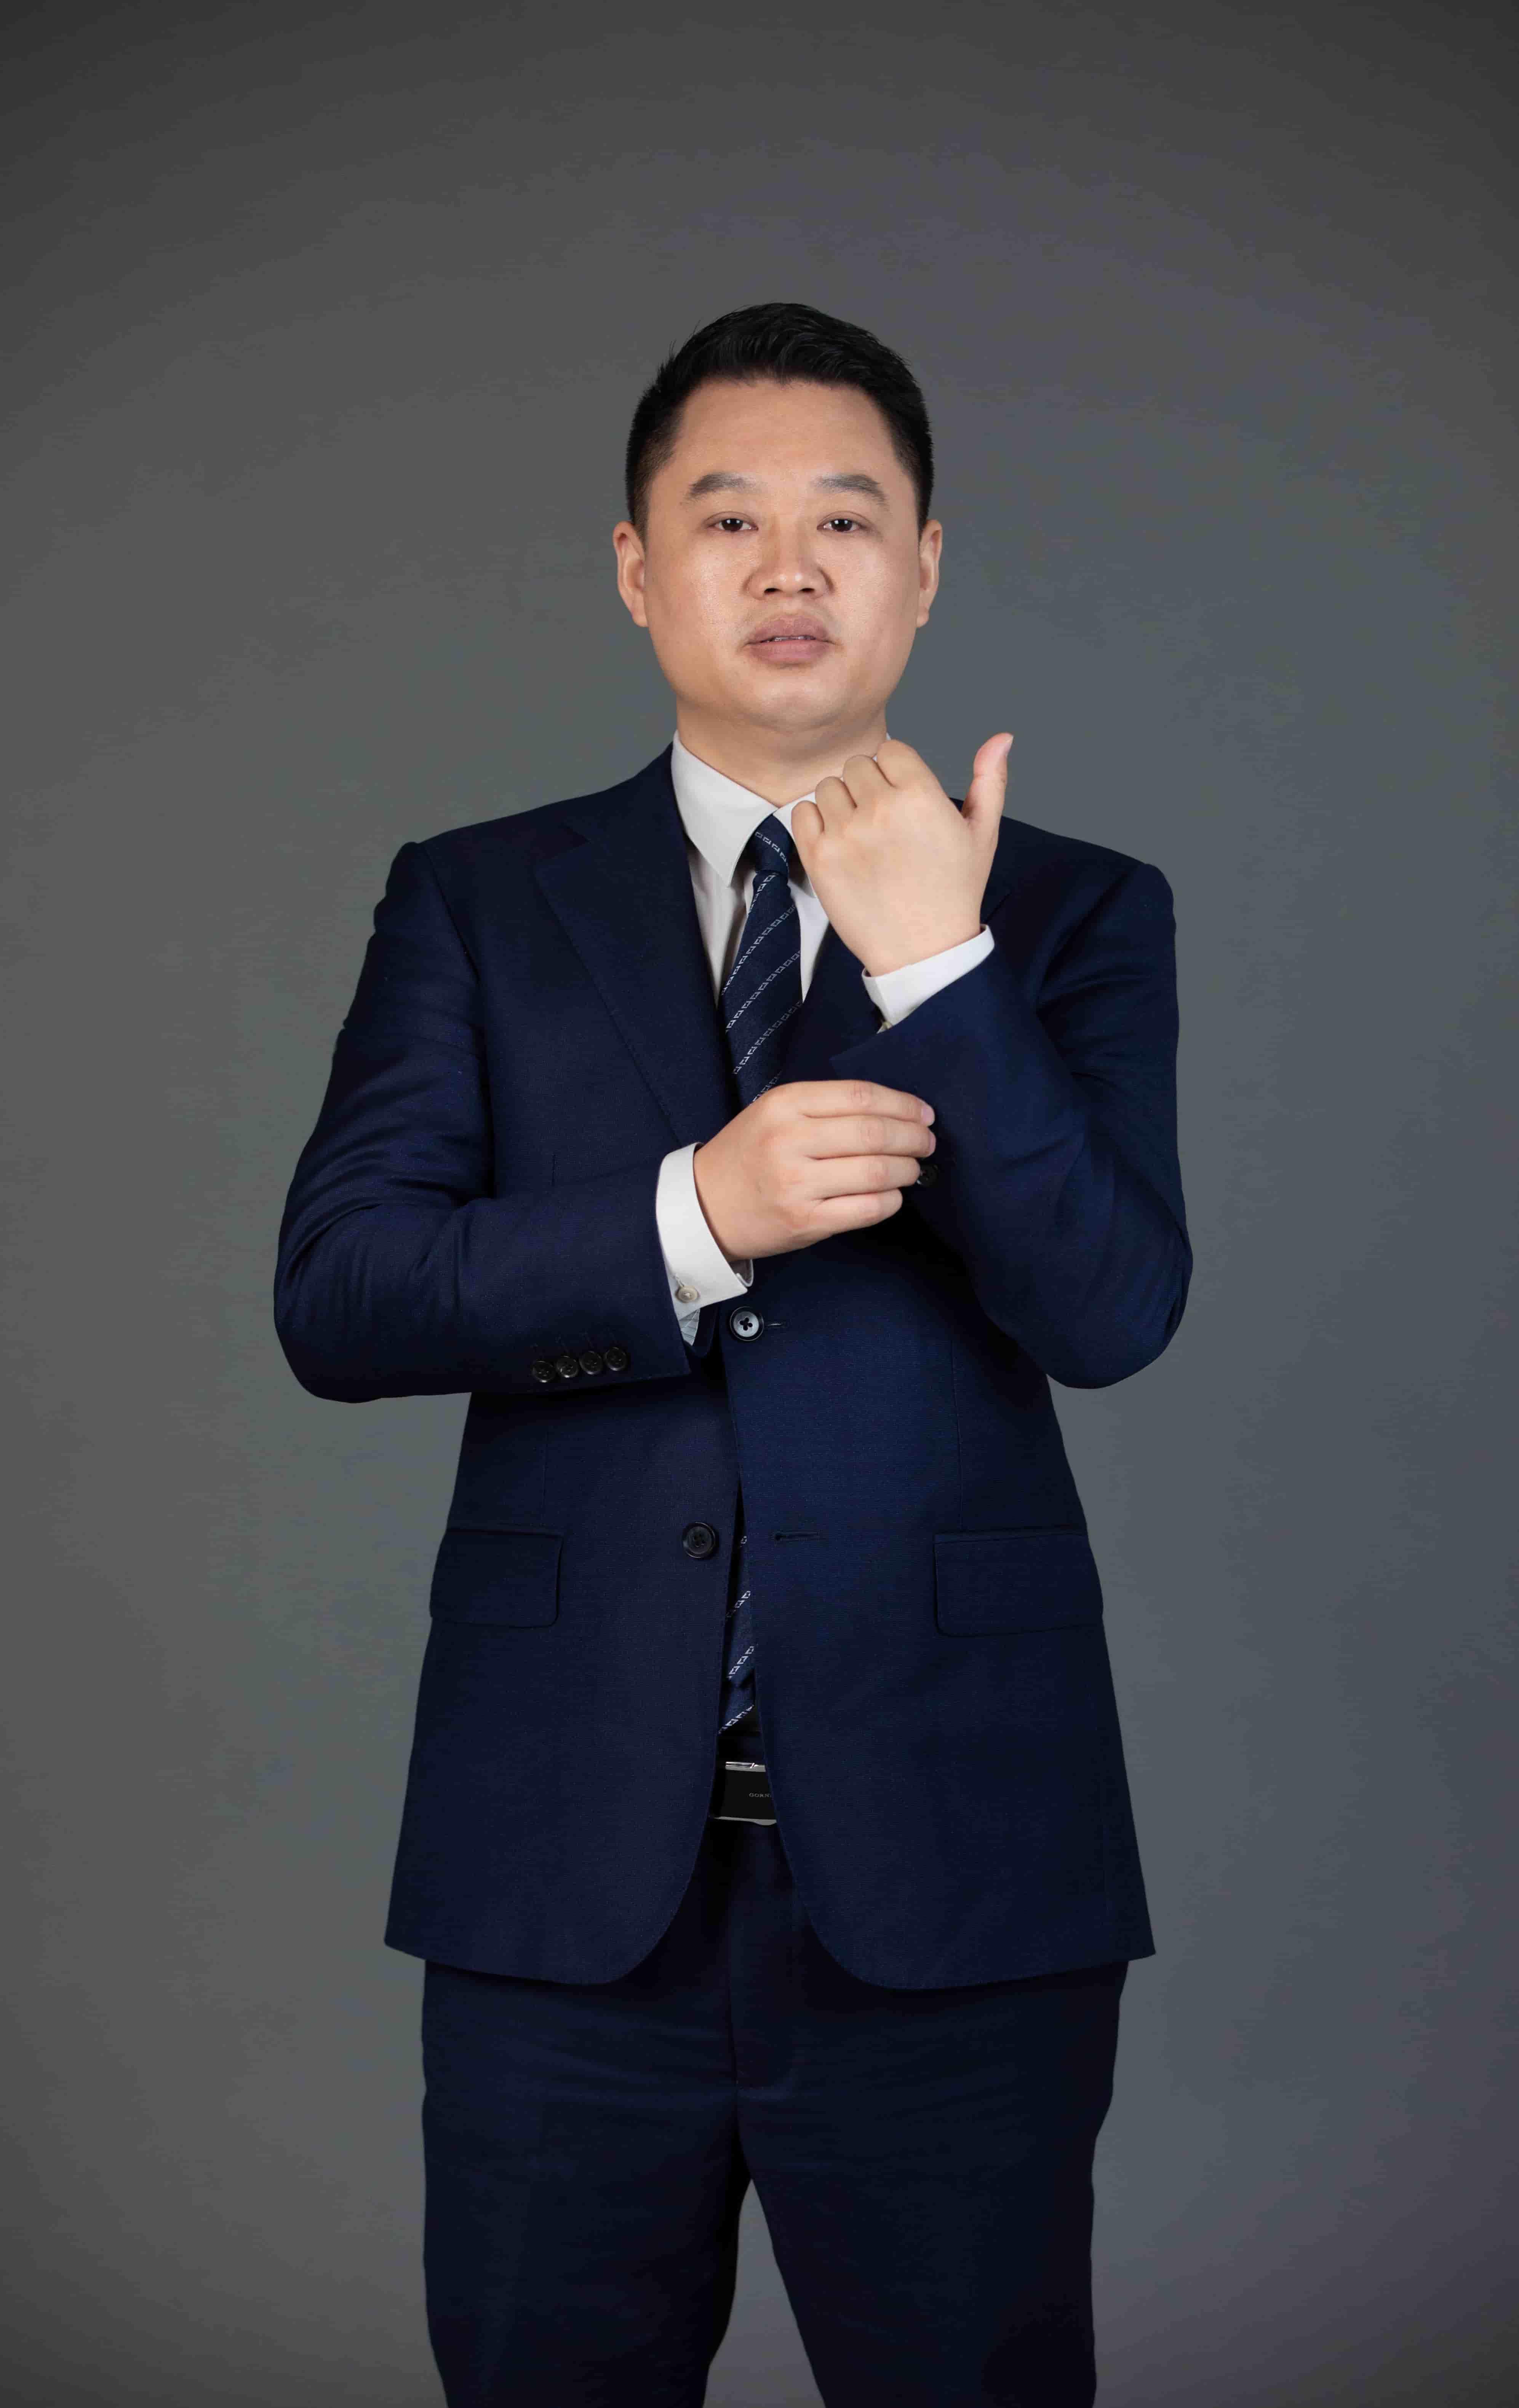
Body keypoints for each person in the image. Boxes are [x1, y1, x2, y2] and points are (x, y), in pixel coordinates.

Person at [274, 298, 1191, 2406]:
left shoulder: (1074, 914)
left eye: (846, 520)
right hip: (561, 1876)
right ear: (636, 567)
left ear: (924, 568)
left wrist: (937, 968)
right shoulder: (477, 900)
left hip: (957, 1868)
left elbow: (1111, 1308)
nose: (790, 567)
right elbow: (342, 1290)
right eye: (727, 518)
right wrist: (694, 1213)